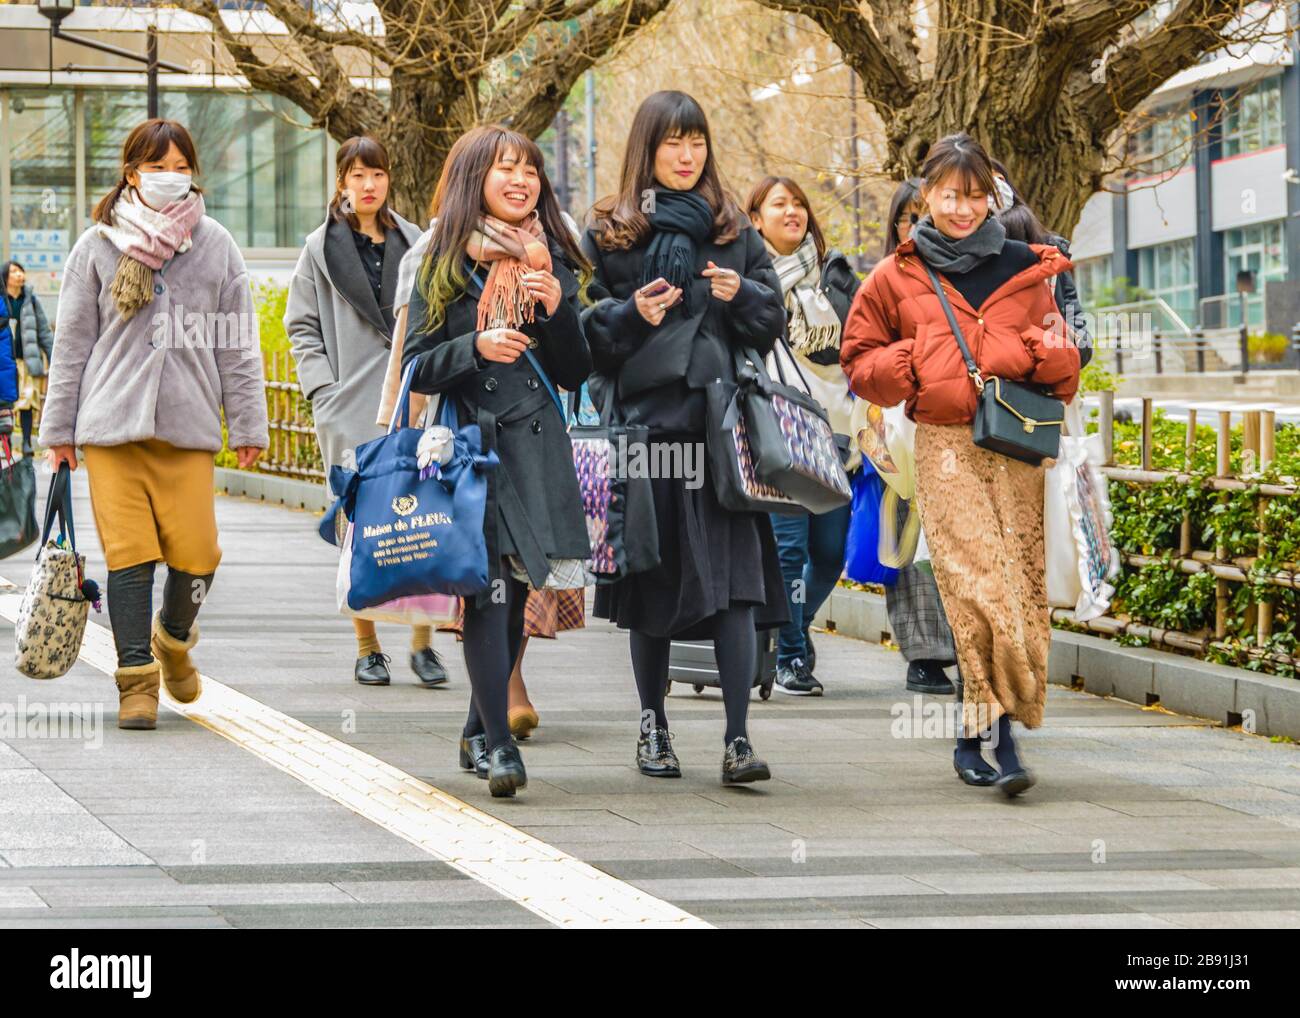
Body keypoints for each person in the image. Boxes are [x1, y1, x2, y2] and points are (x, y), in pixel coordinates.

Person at [840, 133, 1080, 797]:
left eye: (976, 196)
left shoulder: (1023, 267)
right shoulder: (898, 273)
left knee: (1018, 590)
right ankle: (999, 741)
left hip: (1015, 449)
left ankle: (975, 731)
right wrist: (906, 366)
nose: (964, 207)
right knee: (979, 585)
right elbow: (857, 357)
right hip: (944, 445)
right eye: (951, 194)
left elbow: (1064, 360)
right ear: (926, 197)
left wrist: (1043, 355)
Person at [582, 90, 787, 784]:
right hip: (646, 432)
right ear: (648, 147)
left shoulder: (733, 227)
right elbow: (584, 339)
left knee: (734, 588)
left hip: (721, 431)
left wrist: (745, 297)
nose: (686, 154)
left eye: (696, 140)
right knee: (651, 584)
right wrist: (631, 314)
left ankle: (737, 740)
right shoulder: (611, 232)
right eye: (672, 142)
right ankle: (653, 728)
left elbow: (773, 319)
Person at [39, 118, 269, 729]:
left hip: (187, 428)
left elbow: (239, 346)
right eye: (156, 165)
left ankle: (174, 635)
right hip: (111, 429)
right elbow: (72, 345)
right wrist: (58, 431)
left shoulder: (216, 244)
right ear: (131, 172)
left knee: (198, 554)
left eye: (179, 165)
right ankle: (136, 681)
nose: (169, 176)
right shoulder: (96, 245)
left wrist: (248, 424)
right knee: (129, 557)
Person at [401, 124, 593, 798]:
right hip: (472, 451)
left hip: (535, 447)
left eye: (530, 169)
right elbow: (418, 366)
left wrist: (557, 310)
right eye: (505, 168)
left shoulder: (551, 260)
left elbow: (574, 373)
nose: (521, 180)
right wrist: (475, 347)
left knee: (515, 597)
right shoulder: (445, 261)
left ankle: (478, 727)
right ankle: (501, 746)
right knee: (488, 596)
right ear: (474, 179)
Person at [285, 136, 450, 690]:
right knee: (359, 524)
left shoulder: (419, 241)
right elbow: (301, 323)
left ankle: (423, 643)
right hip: (350, 402)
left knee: (423, 518)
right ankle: (367, 645)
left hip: (413, 397)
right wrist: (322, 391)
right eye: (357, 175)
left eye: (377, 174)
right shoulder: (318, 247)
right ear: (342, 183)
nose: (369, 185)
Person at [744, 175, 858, 696]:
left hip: (834, 430)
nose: (793, 212)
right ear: (755, 219)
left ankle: (791, 626)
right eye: (779, 204)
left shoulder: (833, 276)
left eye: (799, 205)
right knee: (789, 550)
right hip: (781, 429)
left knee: (831, 552)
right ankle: (790, 657)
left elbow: (860, 347)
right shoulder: (749, 278)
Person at [878, 178, 958, 696]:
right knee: (910, 540)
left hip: (958, 427)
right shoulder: (885, 281)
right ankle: (924, 654)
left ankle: (966, 644)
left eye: (925, 215)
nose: (919, 226)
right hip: (902, 427)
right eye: (909, 217)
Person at [3, 260, 53, 454]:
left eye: (20, 271)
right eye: (14, 272)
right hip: (5, 362)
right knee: (5, 402)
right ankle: (5, 441)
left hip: (25, 361)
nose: (19, 275)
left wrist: (53, 356)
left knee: (27, 400)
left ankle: (26, 442)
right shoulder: (1, 299)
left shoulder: (30, 299)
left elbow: (44, 332)